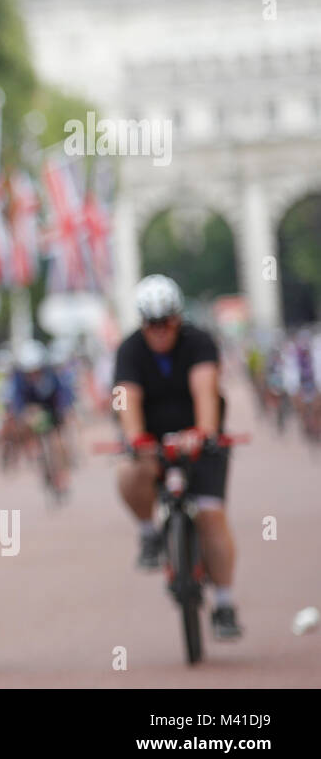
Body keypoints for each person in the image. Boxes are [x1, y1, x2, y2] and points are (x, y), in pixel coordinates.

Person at [113, 274, 241, 640]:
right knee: (128, 473)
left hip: (200, 442)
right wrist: (136, 438)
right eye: (151, 323)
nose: (159, 331)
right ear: (141, 322)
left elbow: (206, 388)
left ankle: (225, 603)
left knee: (211, 515)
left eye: (166, 321)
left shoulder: (199, 342)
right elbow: (126, 396)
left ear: (178, 317)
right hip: (153, 443)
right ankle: (149, 533)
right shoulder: (130, 349)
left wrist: (203, 433)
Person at [9, 339, 72, 497]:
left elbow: (62, 395)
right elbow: (17, 401)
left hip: (52, 410)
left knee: (58, 443)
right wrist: (24, 414)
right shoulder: (19, 379)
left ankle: (62, 476)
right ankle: (34, 451)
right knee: (23, 425)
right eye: (29, 371)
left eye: (36, 370)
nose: (33, 374)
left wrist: (63, 411)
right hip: (32, 411)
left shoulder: (51, 375)